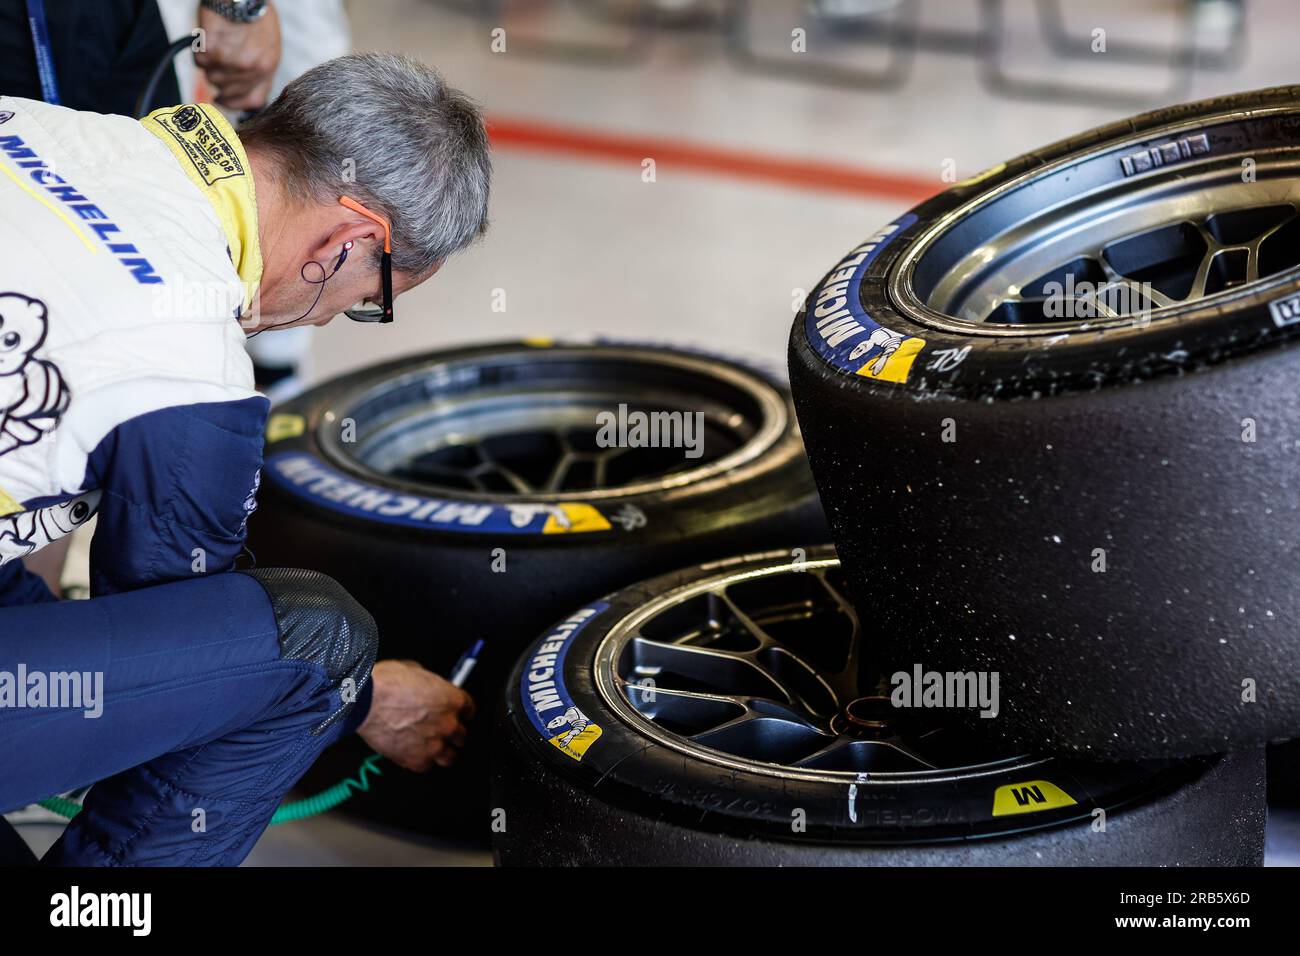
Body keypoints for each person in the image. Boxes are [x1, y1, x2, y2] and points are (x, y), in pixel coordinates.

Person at [0, 52, 493, 865]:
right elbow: (184, 664)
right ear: (348, 242)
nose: (337, 318)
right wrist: (359, 695)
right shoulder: (190, 363)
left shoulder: (43, 124)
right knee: (316, 642)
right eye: (373, 300)